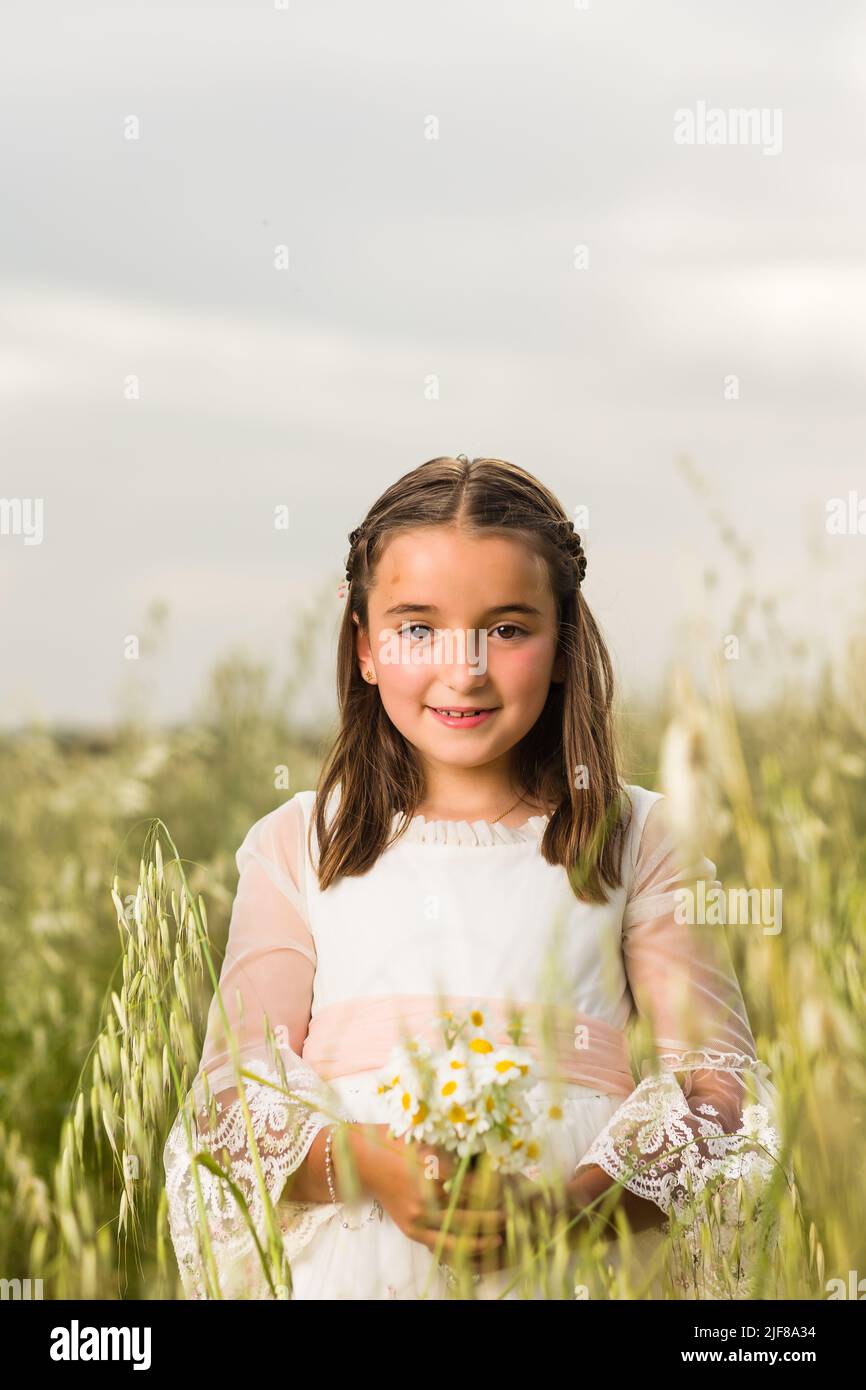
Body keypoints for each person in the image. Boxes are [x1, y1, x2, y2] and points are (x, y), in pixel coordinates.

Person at [163, 453, 784, 1300]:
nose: (465, 669)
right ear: (365, 647)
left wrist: (566, 1213)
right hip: (356, 1270)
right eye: (417, 627)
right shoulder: (298, 844)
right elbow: (229, 1112)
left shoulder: (635, 838)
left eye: (508, 628)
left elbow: (721, 1096)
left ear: (564, 645)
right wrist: (369, 1164)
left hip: (569, 1265)